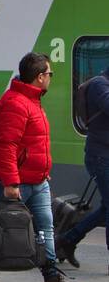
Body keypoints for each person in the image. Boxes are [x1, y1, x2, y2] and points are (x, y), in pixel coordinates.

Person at [0, 53, 83, 282]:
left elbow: (34, 145)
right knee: (2, 231)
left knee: (45, 228)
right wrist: (11, 182)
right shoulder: (16, 103)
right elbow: (6, 145)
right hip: (15, 183)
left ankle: (52, 279)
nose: (50, 78)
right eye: (49, 74)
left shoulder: (32, 100)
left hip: (38, 182)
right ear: (39, 77)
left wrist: (43, 172)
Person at [55, 64, 109, 266]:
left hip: (106, 155)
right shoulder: (99, 85)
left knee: (106, 207)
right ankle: (67, 240)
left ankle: (68, 239)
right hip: (100, 158)